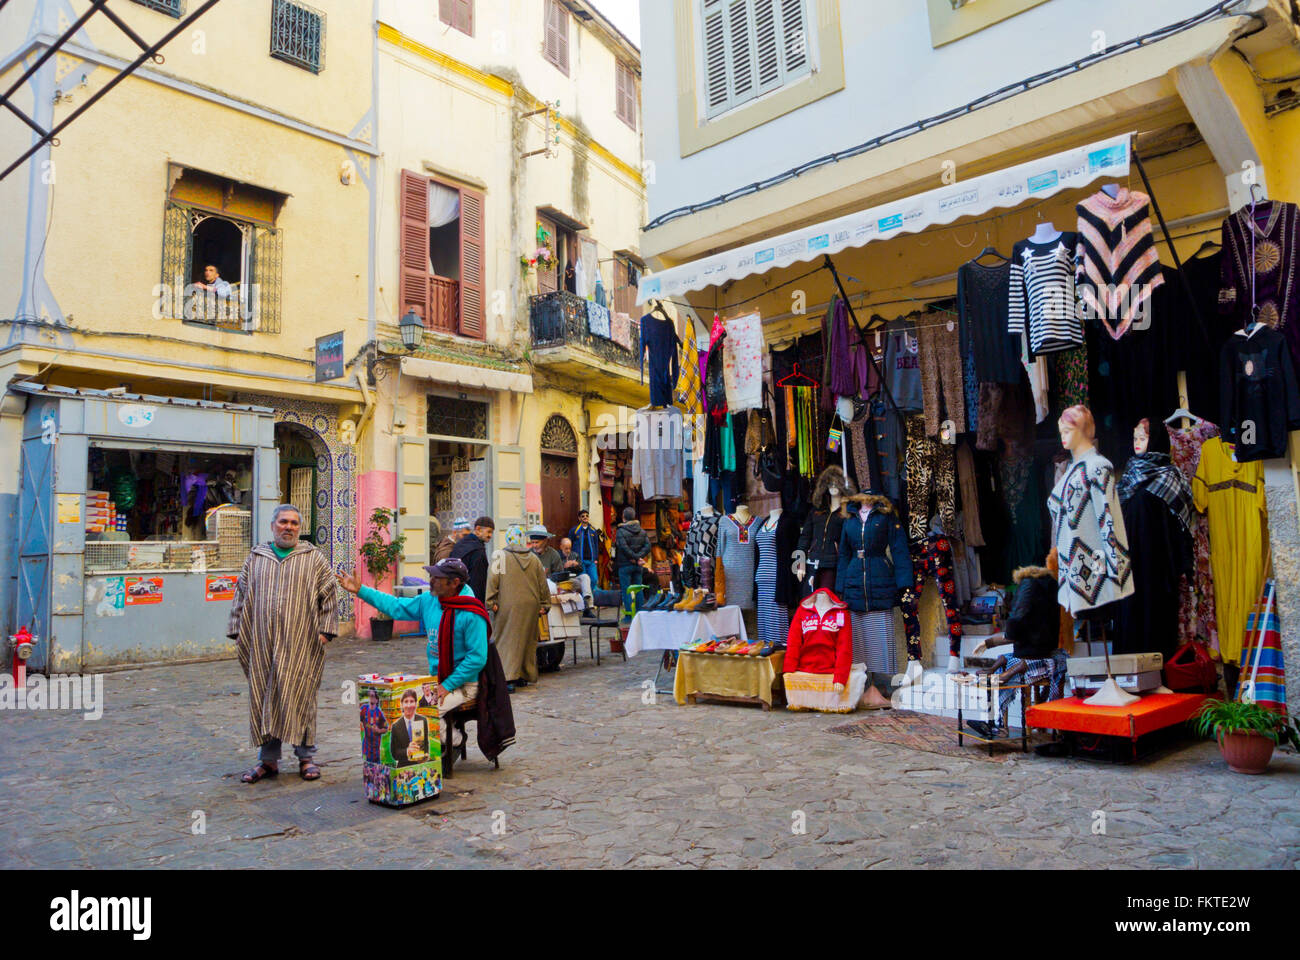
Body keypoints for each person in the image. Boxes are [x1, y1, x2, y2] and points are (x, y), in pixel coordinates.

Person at [229, 504, 338, 784]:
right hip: (262, 642)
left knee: (301, 695)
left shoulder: (312, 557)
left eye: (294, 523)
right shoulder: (256, 557)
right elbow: (241, 594)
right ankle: (268, 761)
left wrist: (326, 631)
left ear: (299, 529)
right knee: (266, 696)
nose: (288, 527)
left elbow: (329, 594)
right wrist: (237, 629)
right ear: (272, 525)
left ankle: (306, 758)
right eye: (283, 522)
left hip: (300, 642)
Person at [339, 558, 490, 755]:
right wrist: (361, 590)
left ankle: (455, 740)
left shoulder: (471, 613)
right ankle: (444, 742)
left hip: (465, 684)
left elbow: (477, 658)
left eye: (437, 577)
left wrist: (446, 686)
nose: (431, 580)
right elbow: (396, 606)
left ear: (454, 583)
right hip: (437, 679)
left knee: (420, 712)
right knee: (402, 705)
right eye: (431, 575)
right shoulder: (430, 600)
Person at [487, 525, 550, 689]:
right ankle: (523, 674)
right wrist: (545, 604)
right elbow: (542, 584)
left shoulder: (500, 556)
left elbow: (492, 580)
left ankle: (507, 678)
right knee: (526, 640)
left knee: (506, 640)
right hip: (530, 604)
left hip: (507, 605)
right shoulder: (534, 558)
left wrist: (490, 602)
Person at [614, 506, 650, 623]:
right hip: (637, 565)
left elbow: (623, 548)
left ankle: (629, 615)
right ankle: (639, 614)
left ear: (623, 517)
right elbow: (647, 546)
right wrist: (639, 557)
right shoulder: (642, 531)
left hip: (625, 564)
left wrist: (634, 558)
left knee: (626, 591)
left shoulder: (620, 531)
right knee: (638, 588)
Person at [451, 516, 494, 601]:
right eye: (488, 532)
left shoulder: (460, 544)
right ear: (478, 529)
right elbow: (479, 583)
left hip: (454, 595)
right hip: (470, 599)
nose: (490, 535)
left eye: (492, 532)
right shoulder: (478, 550)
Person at [387, 689, 431, 767]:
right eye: (406, 701)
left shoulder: (423, 720)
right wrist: (407, 751)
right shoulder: (396, 726)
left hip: (420, 765)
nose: (409, 705)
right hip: (403, 766)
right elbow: (394, 753)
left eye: (412, 701)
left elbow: (426, 745)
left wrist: (425, 755)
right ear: (401, 704)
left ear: (416, 703)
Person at [557, 537, 595, 614]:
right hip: (564, 580)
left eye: (569, 548)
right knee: (579, 583)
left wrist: (576, 564)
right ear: (561, 547)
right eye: (566, 548)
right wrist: (564, 566)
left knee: (585, 576)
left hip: (574, 578)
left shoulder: (575, 555)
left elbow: (580, 569)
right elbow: (555, 571)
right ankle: (586, 604)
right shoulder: (557, 555)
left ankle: (587, 598)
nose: (568, 550)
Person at [567, 509, 604, 588]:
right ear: (579, 518)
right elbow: (569, 545)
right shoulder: (574, 530)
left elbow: (596, 545)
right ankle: (584, 597)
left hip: (591, 561)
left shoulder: (593, 530)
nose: (585, 517)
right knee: (583, 581)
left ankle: (590, 595)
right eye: (582, 516)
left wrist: (596, 559)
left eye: (587, 516)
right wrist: (572, 558)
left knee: (594, 579)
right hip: (580, 561)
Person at [359, 687, 389, 763]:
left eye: (372, 696)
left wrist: (379, 731)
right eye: (369, 695)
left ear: (376, 699)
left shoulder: (379, 713)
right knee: (366, 768)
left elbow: (386, 728)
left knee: (377, 770)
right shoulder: (363, 709)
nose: (370, 697)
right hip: (366, 748)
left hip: (376, 749)